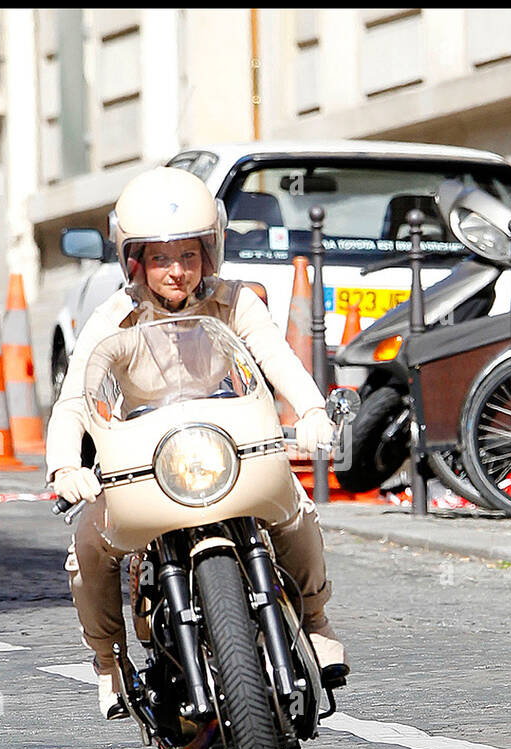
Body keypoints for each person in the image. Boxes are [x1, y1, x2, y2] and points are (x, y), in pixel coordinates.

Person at [45, 166, 348, 720]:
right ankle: (109, 663)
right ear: (134, 260)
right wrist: (66, 466)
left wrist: (309, 410)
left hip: (226, 452)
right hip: (145, 464)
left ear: (211, 252)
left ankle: (316, 621)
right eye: (160, 258)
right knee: (88, 547)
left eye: (188, 255)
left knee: (296, 513)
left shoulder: (236, 302)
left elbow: (276, 357)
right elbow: (73, 399)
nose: (176, 271)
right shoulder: (113, 316)